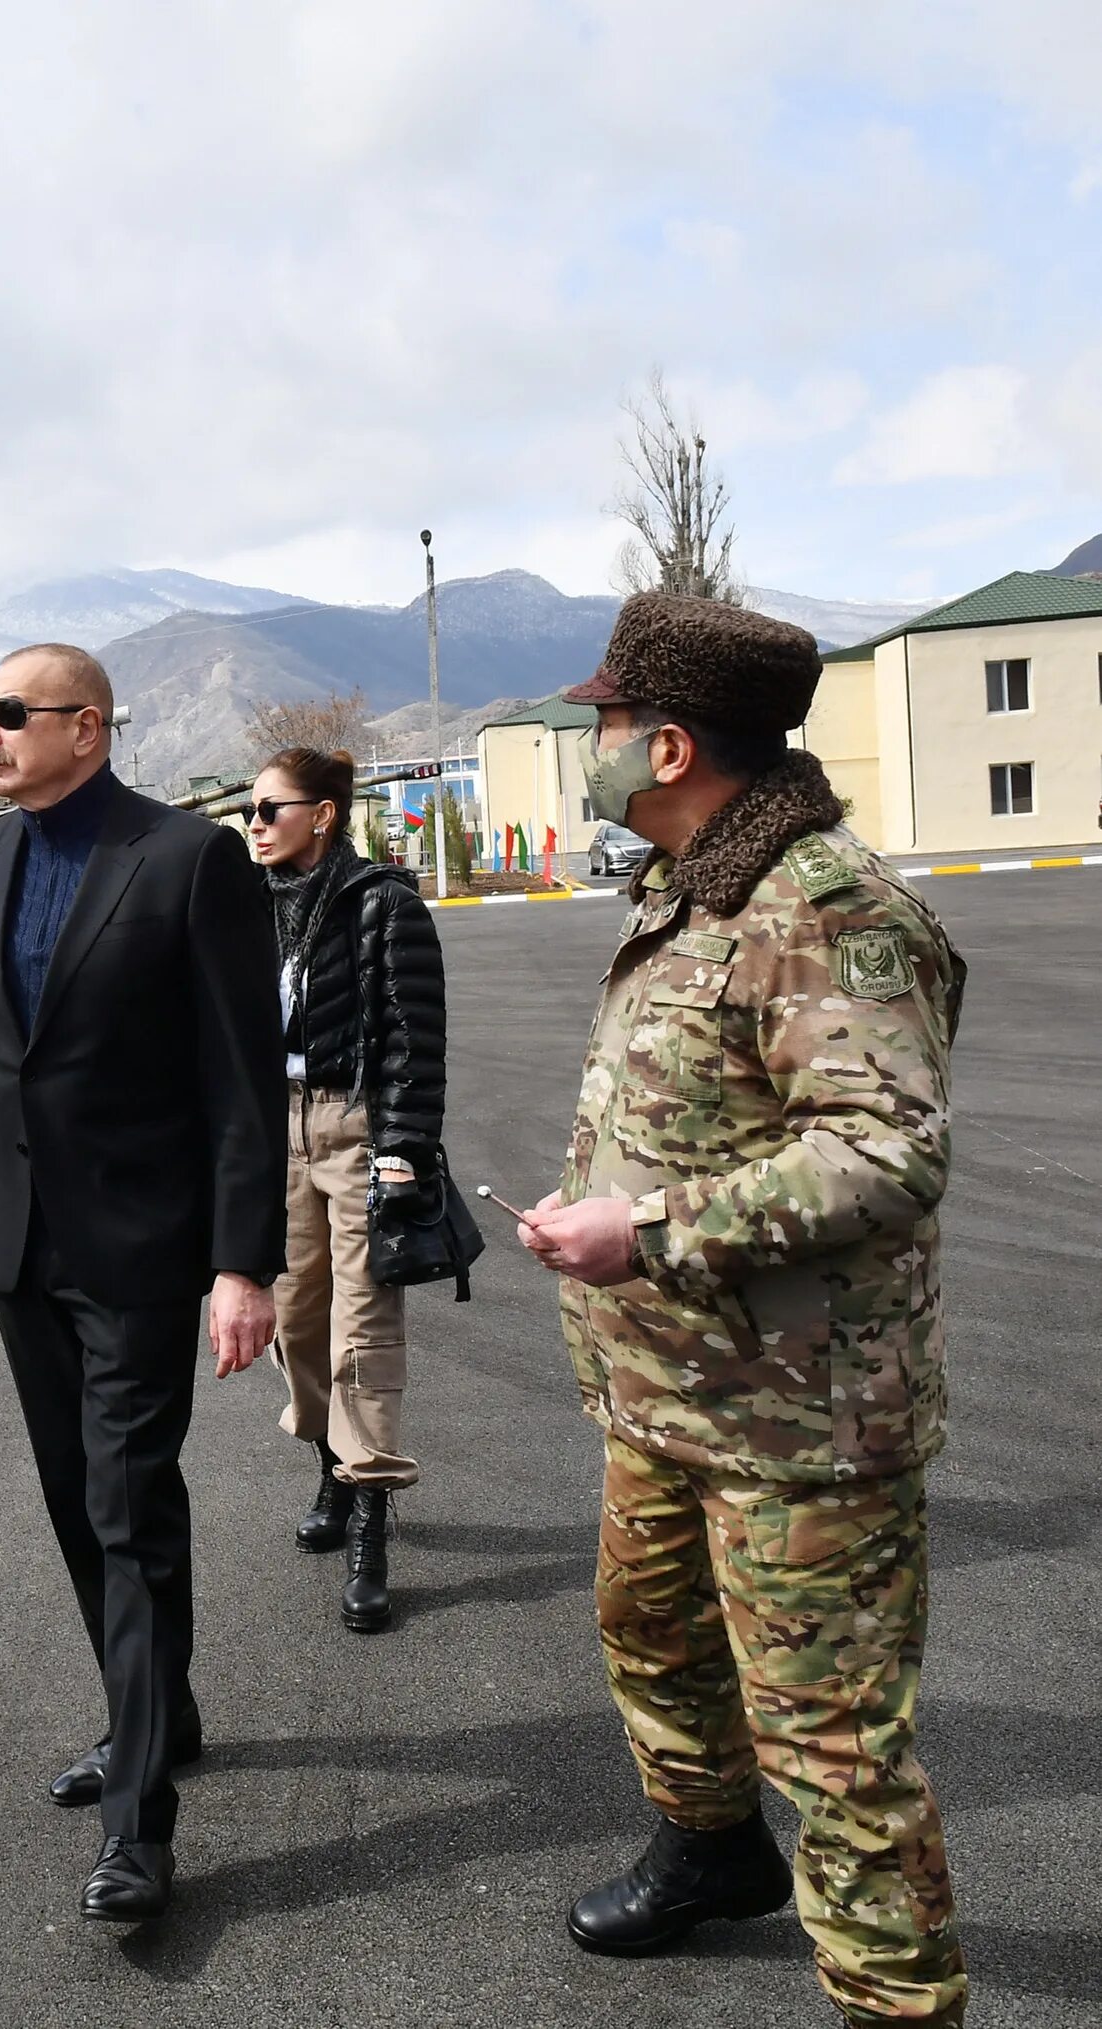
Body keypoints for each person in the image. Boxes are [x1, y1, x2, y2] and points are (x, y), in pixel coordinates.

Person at [514, 592, 968, 2024]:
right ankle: (710, 1855)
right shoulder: (691, 884)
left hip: (801, 1424)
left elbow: (885, 1149)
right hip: (668, 1394)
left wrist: (641, 1223)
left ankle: (897, 2001)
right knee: (649, 1637)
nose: (580, 742)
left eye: (596, 723)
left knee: (831, 1747)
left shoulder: (822, 904)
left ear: (663, 748)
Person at [0, 642, 286, 1926]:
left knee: (128, 1507)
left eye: (9, 715)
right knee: (74, 1500)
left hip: (138, 1251)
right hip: (15, 1249)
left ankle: (138, 1825)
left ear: (88, 727)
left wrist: (243, 1264)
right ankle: (158, 1716)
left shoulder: (184, 858)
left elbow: (240, 1083)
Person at [243, 746, 447, 1632]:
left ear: (323, 813)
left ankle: (369, 1515)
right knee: (293, 1317)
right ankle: (330, 1460)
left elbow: (414, 1036)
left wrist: (402, 1151)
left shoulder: (382, 904)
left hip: (356, 1125)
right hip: (272, 1130)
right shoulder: (251, 908)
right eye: (249, 809)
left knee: (362, 1324)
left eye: (270, 808)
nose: (254, 823)